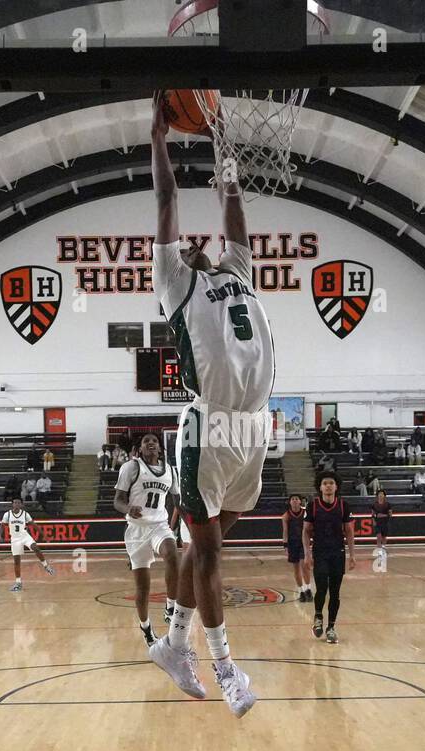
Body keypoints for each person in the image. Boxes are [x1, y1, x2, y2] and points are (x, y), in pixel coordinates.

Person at [144, 95, 272, 717]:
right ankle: (225, 668)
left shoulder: (239, 270)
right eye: (187, 245)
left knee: (208, 541)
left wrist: (222, 138)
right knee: (211, 552)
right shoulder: (175, 280)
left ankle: (171, 643)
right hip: (207, 430)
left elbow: (232, 202)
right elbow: (168, 203)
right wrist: (159, 139)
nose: (195, 243)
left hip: (254, 430)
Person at [114, 433, 179, 642]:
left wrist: (186, 523)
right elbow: (118, 500)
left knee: (172, 555)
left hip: (159, 525)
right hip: (136, 530)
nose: (151, 443)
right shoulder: (131, 468)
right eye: (146, 441)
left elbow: (177, 501)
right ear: (140, 449)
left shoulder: (170, 470)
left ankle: (170, 606)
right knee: (143, 587)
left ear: (160, 448)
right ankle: (146, 628)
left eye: (154, 441)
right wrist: (127, 509)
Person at [303, 471, 355, 644]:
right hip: (320, 552)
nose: (328, 486)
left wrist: (352, 555)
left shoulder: (343, 505)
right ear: (320, 486)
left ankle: (331, 627)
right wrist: (307, 554)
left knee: (335, 592)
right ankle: (318, 617)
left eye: (331, 483)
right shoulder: (313, 506)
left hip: (337, 553)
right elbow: (306, 531)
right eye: (325, 483)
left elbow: (348, 530)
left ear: (336, 486)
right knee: (322, 587)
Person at [1, 498, 55, 592]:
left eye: (18, 503)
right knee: (17, 561)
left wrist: (44, 535)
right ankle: (18, 583)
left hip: (24, 536)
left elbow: (34, 525)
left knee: (35, 547)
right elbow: (2, 526)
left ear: (21, 505)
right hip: (15, 539)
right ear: (12, 504)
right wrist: (0, 536)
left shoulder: (25, 514)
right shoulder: (7, 514)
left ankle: (46, 566)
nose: (16, 504)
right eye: (15, 502)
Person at [281, 494, 311, 602]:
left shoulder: (305, 513)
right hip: (292, 543)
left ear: (300, 502)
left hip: (304, 542)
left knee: (305, 566)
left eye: (296, 499)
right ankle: (301, 591)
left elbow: (310, 527)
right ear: (290, 502)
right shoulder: (286, 516)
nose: (294, 501)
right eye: (292, 499)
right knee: (296, 568)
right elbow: (285, 531)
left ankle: (308, 589)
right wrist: (285, 545)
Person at [372, 488, 393, 555]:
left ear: (384, 496)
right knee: (378, 535)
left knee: (384, 536)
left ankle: (383, 547)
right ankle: (379, 549)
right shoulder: (374, 505)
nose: (380, 495)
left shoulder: (388, 504)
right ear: (377, 495)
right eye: (379, 494)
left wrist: (383, 515)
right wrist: (373, 521)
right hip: (378, 522)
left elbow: (390, 514)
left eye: (382, 494)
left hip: (385, 522)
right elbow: (373, 514)